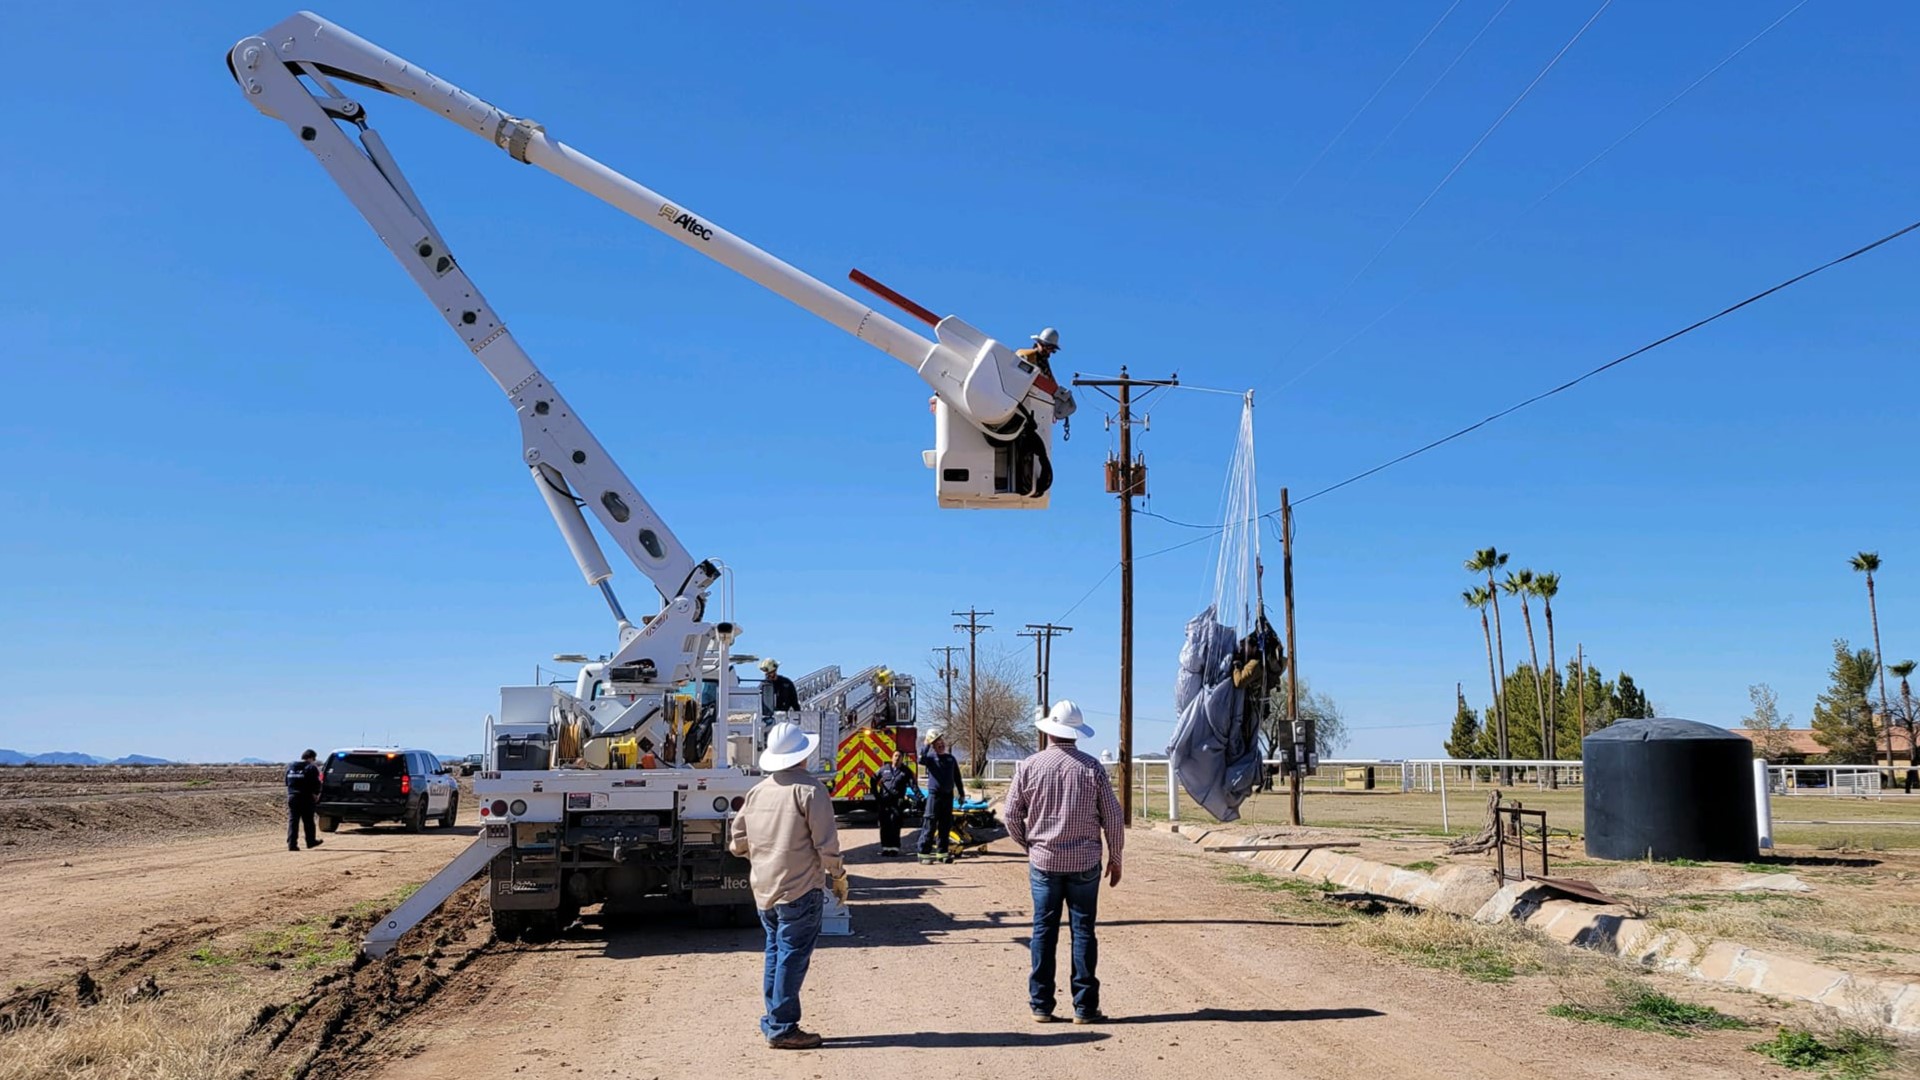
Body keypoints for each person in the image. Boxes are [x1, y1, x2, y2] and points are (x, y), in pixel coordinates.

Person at [727, 721, 847, 1050]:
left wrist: (764, 851)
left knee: (775, 952)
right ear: (802, 755)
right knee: (792, 956)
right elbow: (826, 843)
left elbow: (736, 842)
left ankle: (773, 1020)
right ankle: (782, 1028)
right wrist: (837, 875)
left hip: (764, 889)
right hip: (800, 889)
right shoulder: (809, 790)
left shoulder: (758, 791)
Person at [1003, 701, 1124, 1025]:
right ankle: (1084, 1007)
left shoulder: (1029, 766)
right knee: (1083, 931)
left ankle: (1041, 1004)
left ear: (1050, 731)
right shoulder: (1092, 768)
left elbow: (1011, 815)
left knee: (1044, 930)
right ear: (1076, 733)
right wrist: (1116, 858)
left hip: (1044, 862)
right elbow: (1113, 816)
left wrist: (1028, 843)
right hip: (1084, 863)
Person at [917, 731, 965, 863]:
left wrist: (961, 793)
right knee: (930, 824)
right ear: (933, 745)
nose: (941, 744)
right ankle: (923, 854)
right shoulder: (931, 758)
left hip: (947, 796)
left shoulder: (950, 759)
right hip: (935, 796)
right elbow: (921, 759)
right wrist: (926, 744)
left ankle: (942, 853)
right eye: (937, 742)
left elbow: (957, 777)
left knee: (945, 825)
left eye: (942, 741)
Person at [871, 748, 922, 856]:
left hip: (897, 802)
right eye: (896, 756)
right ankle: (886, 848)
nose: (897, 758)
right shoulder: (884, 769)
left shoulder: (906, 771)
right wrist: (877, 795)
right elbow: (873, 780)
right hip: (884, 802)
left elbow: (913, 786)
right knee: (884, 825)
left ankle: (894, 848)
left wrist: (920, 797)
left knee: (895, 825)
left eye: (899, 757)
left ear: (902, 759)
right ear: (892, 757)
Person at [284, 749, 324, 852]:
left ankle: (292, 844)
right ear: (311, 758)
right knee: (308, 820)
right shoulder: (311, 768)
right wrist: (316, 794)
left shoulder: (291, 766)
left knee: (293, 821)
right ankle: (310, 841)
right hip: (305, 797)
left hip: (292, 796)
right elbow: (316, 783)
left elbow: (287, 782)